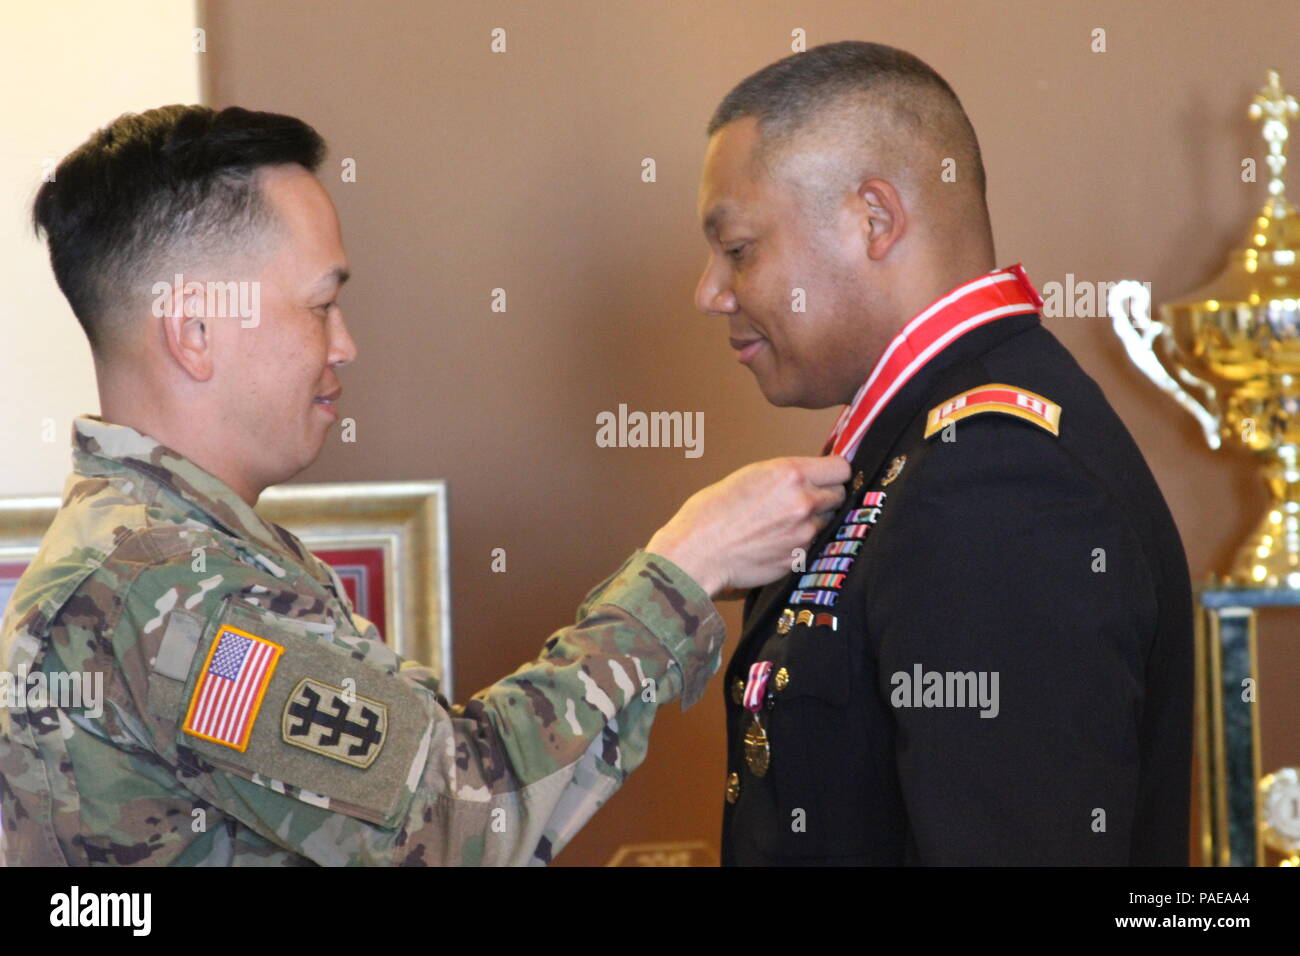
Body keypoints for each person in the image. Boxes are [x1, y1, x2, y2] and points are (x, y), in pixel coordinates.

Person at [0, 105, 850, 866]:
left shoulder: (149, 556)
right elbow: (456, 820)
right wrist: (681, 570)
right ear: (193, 330)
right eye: (319, 305)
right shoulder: (168, 592)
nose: (345, 346)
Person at [695, 41, 1193, 865]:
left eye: (738, 248)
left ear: (874, 219)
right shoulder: (923, 446)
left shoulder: (991, 474)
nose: (709, 291)